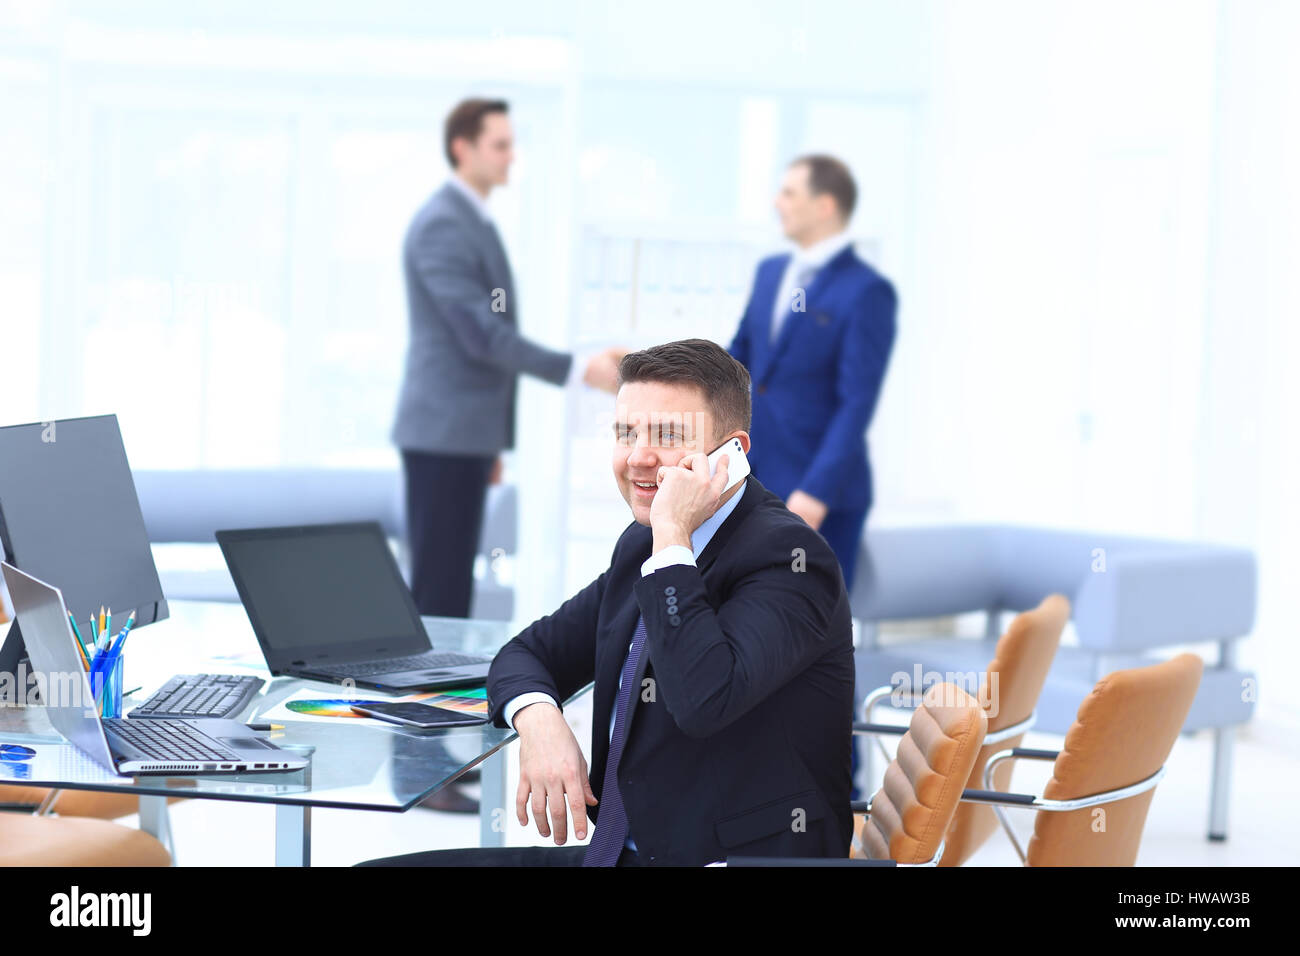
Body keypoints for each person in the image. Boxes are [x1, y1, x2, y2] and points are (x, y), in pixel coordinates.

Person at [361, 339, 854, 866]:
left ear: (731, 453)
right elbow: (528, 653)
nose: (637, 457)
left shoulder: (790, 559)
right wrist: (539, 718)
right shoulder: (640, 544)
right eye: (626, 433)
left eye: (668, 435)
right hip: (621, 853)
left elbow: (704, 700)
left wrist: (672, 540)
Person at [391, 97, 624, 619]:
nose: (511, 156)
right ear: (462, 148)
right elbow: (482, 336)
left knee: (452, 581)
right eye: (499, 145)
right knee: (439, 587)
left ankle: (442, 672)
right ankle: (428, 676)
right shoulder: (443, 224)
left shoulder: (471, 220)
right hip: (444, 434)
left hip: (463, 436)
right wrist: (579, 370)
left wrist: (491, 441)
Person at [727, 154, 897, 587]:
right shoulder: (770, 273)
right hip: (751, 482)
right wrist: (665, 373)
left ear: (825, 206)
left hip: (817, 495)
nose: (776, 203)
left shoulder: (867, 291)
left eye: (788, 193)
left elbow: (856, 402)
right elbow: (737, 363)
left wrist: (817, 490)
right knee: (746, 610)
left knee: (810, 617)